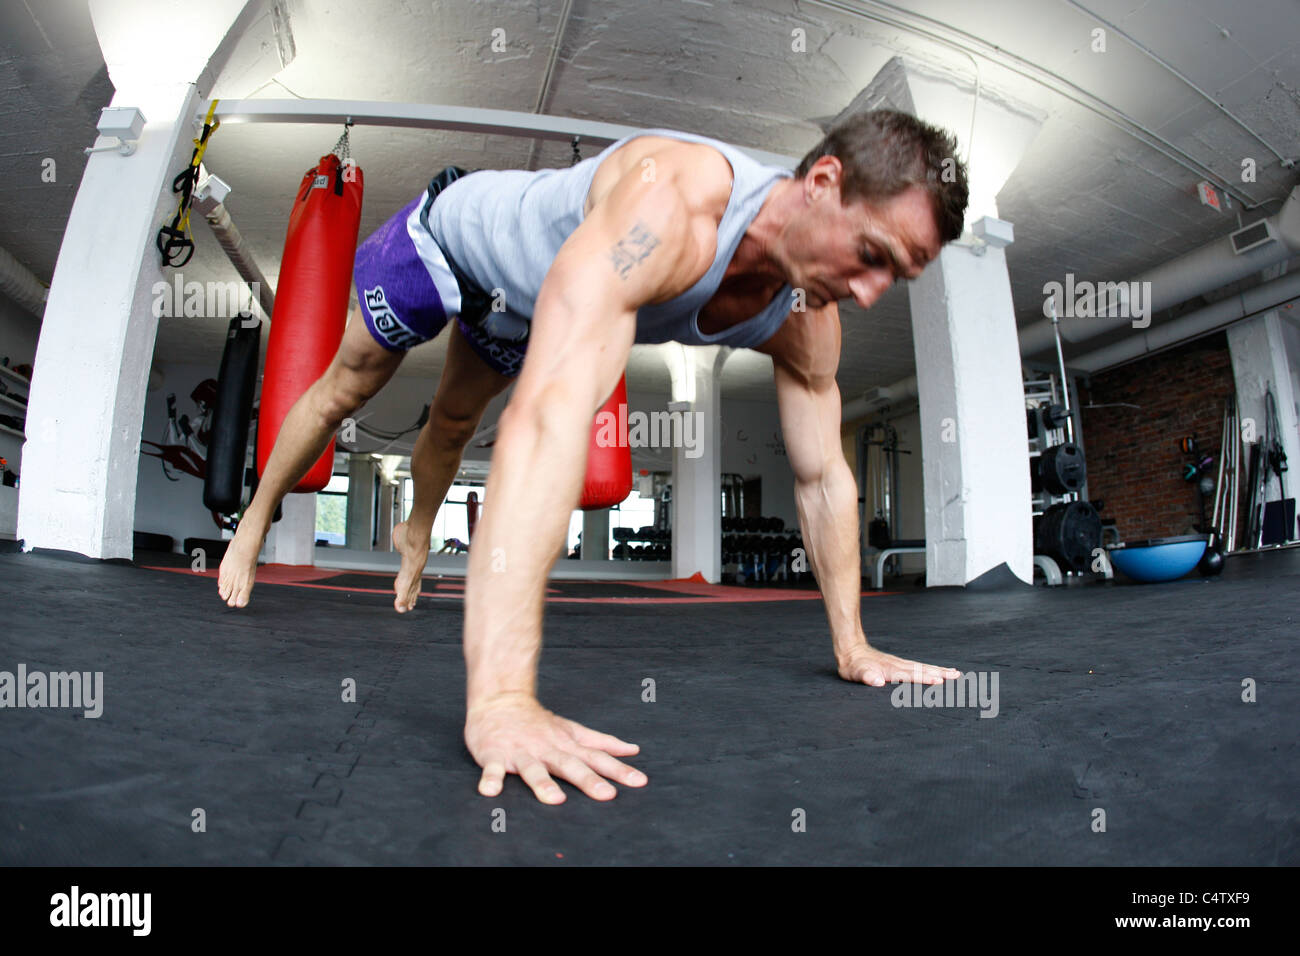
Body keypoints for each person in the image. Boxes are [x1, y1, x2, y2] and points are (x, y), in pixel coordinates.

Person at [218, 109, 970, 804]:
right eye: (872, 255)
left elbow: (821, 474)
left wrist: (854, 644)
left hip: (517, 307)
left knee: (451, 422)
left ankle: (417, 528)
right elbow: (547, 423)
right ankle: (254, 522)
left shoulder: (808, 316)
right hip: (451, 239)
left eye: (895, 278)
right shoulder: (671, 206)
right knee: (347, 384)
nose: (871, 294)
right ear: (824, 182)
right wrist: (504, 699)